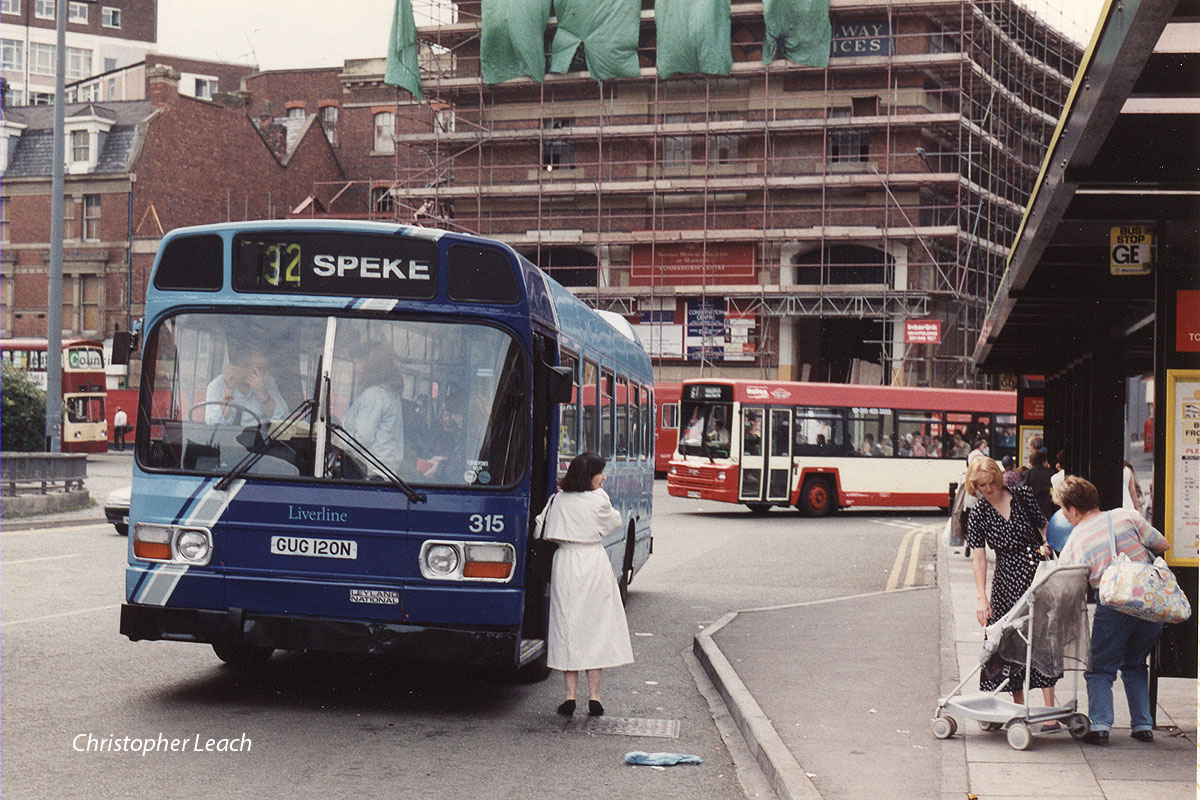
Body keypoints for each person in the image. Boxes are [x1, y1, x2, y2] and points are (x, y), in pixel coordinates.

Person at [1055, 476, 1170, 745]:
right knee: (1135, 664)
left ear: (1073, 509)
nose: (1064, 515)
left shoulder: (1075, 541)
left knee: (1100, 668)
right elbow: (1162, 544)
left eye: (1063, 509)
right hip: (1149, 604)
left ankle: (1100, 726)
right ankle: (1143, 725)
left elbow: (1067, 583)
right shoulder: (1127, 517)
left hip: (1114, 607)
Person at [535, 452, 633, 717]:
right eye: (600, 472)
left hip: (565, 562)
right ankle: (594, 696)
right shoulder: (598, 499)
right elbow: (614, 522)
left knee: (568, 625)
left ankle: (569, 696)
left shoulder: (557, 500)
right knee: (595, 626)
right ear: (589, 475)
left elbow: (541, 529)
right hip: (592, 561)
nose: (604, 477)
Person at [965, 458, 1059, 719]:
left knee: (1041, 638)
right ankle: (1019, 708)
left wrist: (1047, 546)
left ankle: (1049, 710)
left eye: (991, 483)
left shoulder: (1023, 495)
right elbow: (979, 557)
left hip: (1035, 573)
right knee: (1009, 643)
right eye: (981, 485)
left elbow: (1043, 527)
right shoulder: (978, 513)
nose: (988, 489)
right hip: (1006, 580)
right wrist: (982, 598)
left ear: (998, 477)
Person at [342, 346, 405, 478]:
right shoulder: (390, 393)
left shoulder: (374, 395)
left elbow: (362, 437)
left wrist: (339, 441)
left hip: (371, 471)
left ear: (369, 365)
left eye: (357, 363)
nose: (356, 369)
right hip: (386, 470)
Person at [204, 344, 287, 426]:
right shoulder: (217, 385)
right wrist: (229, 389)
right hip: (227, 438)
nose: (264, 373)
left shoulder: (268, 382)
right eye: (260, 368)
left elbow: (282, 419)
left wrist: (263, 394)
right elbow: (214, 422)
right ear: (241, 367)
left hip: (258, 437)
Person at [1021, 449, 1056, 520]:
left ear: (1031, 462)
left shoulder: (1027, 474)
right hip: (1047, 512)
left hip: (1031, 512)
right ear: (1044, 462)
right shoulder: (1051, 474)